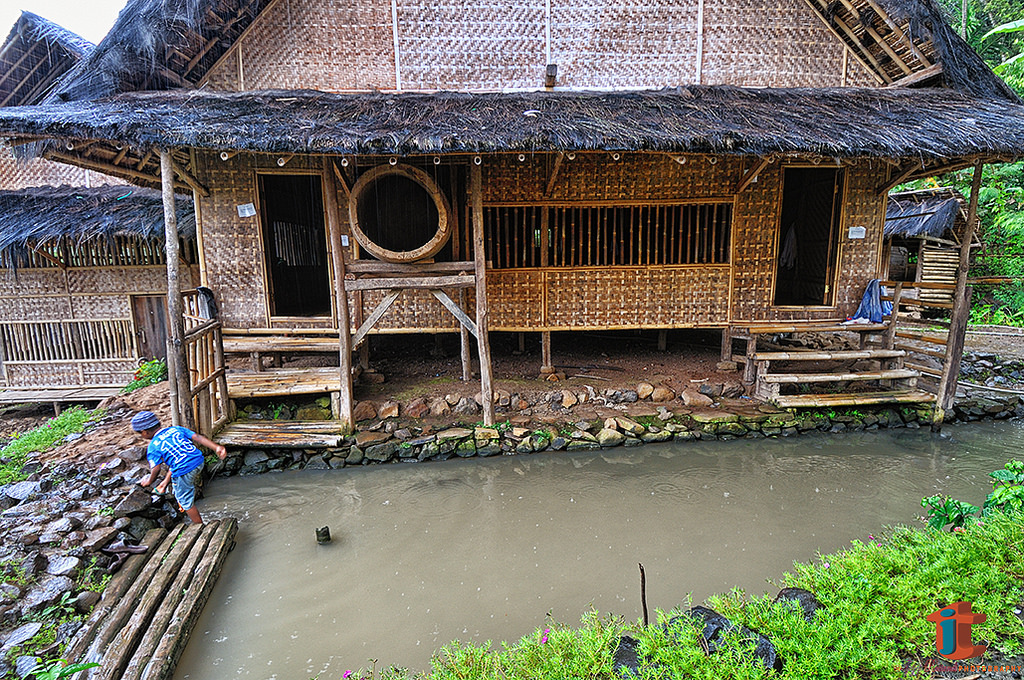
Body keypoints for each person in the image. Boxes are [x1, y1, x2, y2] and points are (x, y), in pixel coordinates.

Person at [132, 410, 227, 524]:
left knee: (185, 501)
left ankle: (200, 526)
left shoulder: (153, 447)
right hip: (198, 460)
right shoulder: (176, 429)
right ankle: (163, 485)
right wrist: (216, 447)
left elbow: (156, 469)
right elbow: (197, 437)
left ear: (144, 432)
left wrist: (149, 481)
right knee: (175, 462)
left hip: (184, 469)